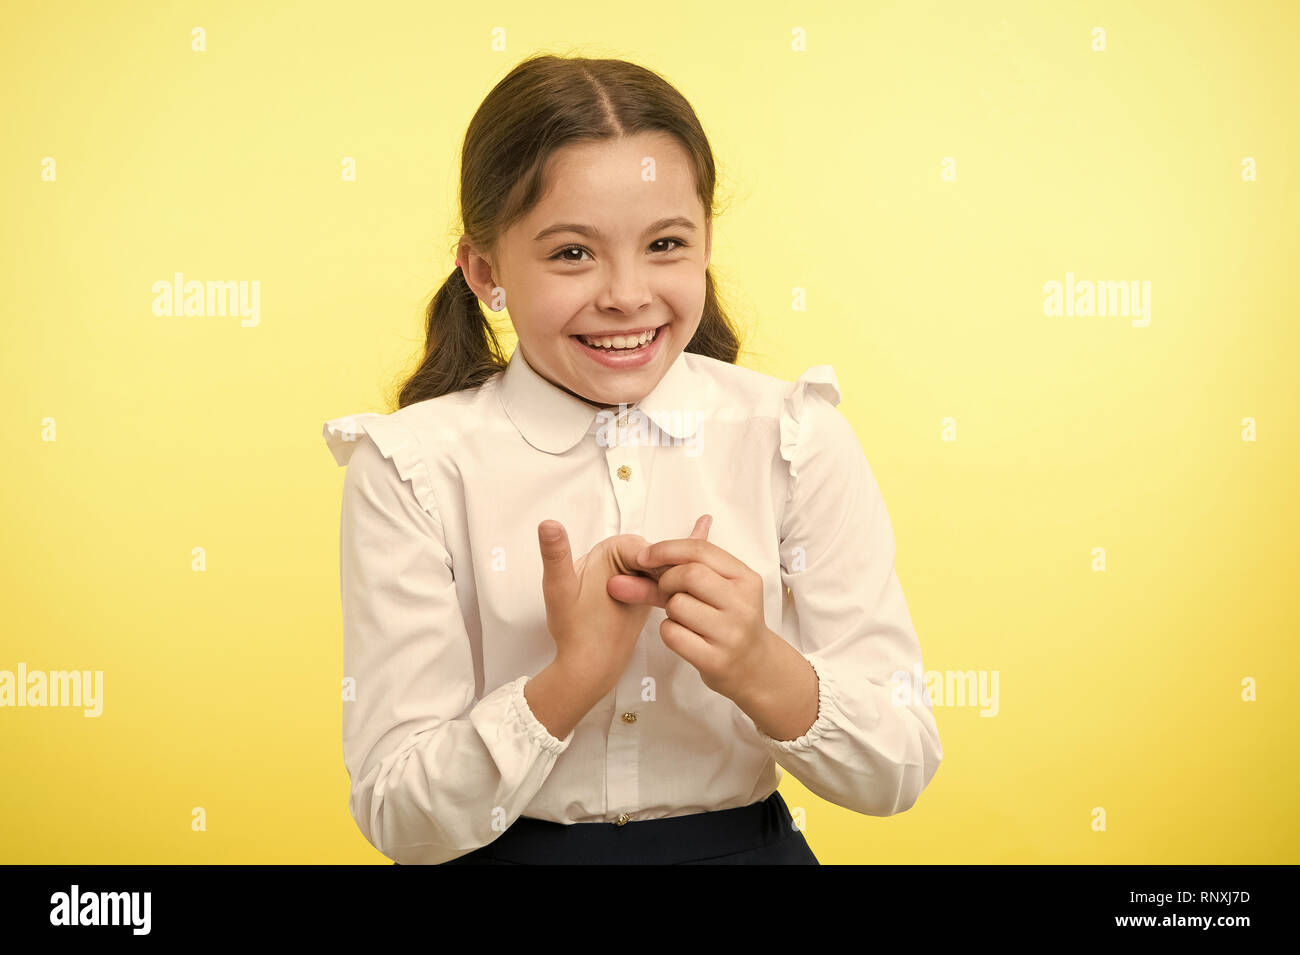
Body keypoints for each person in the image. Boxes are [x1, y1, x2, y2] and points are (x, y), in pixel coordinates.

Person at [321, 53, 942, 865]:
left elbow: (898, 764)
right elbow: (399, 813)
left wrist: (760, 664)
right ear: (484, 270)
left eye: (665, 244)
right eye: (572, 253)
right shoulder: (413, 468)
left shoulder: (793, 437)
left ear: (707, 242)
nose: (625, 293)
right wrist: (570, 678)